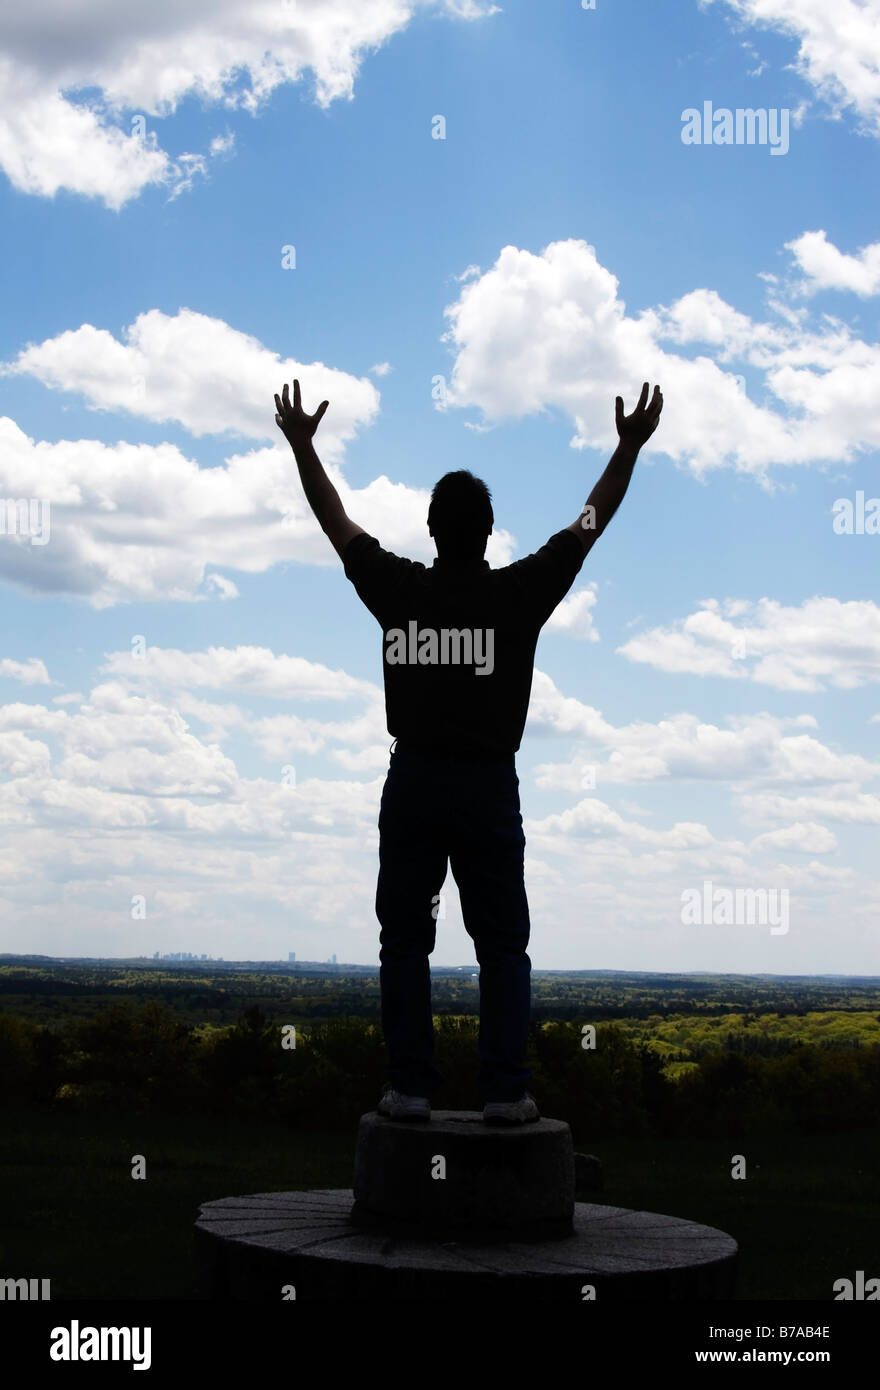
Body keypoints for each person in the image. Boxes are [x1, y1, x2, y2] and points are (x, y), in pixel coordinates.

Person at [274, 377, 663, 1124]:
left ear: (432, 529)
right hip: (487, 786)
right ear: (487, 532)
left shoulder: (398, 589)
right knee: (502, 945)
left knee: (405, 941)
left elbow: (336, 521)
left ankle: (411, 1088)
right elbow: (589, 524)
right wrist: (626, 448)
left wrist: (303, 447)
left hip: (415, 780)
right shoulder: (518, 593)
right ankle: (506, 1092)